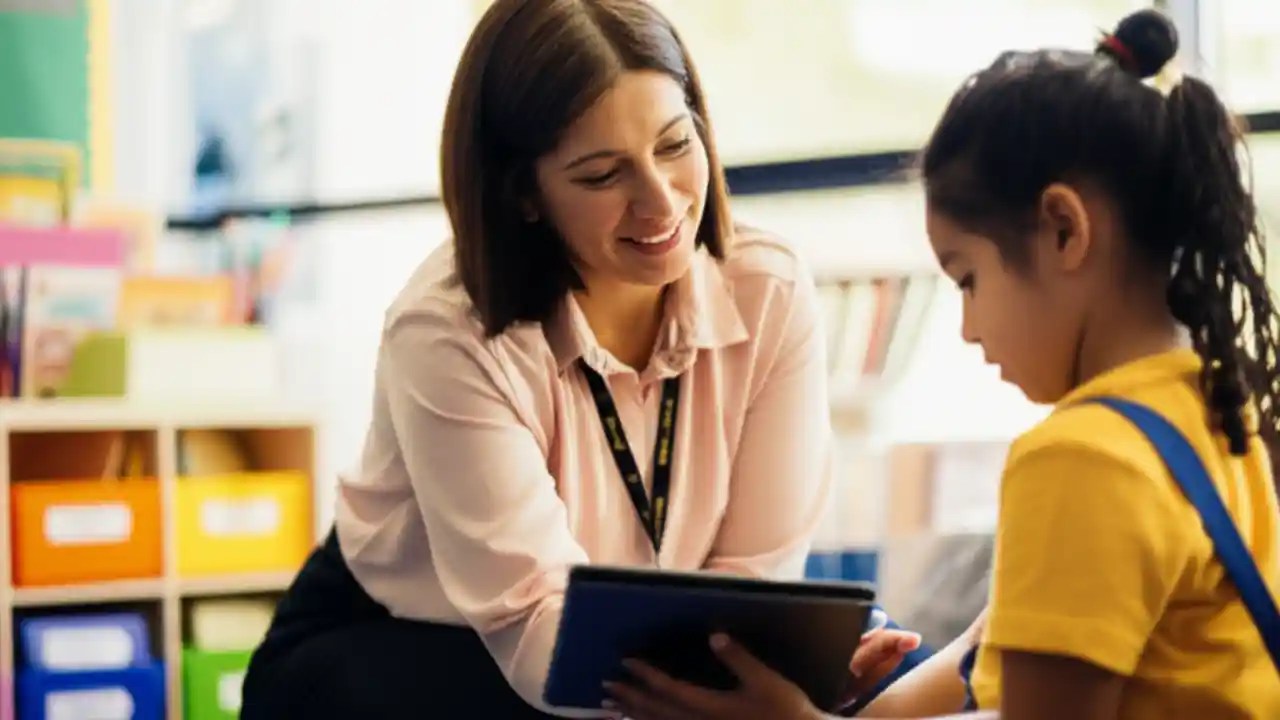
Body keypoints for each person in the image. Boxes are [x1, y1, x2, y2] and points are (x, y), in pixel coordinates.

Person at [239, 1, 921, 718]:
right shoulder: (447, 333)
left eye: (673, 145)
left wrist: (793, 680)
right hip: (408, 640)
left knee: (891, 672)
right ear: (524, 194)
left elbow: (758, 581)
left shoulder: (769, 291)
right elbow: (538, 631)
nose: (660, 204)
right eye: (602, 176)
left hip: (627, 645)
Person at [606, 9, 1280, 720]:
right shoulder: (1216, 410)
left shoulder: (1086, 458)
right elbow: (989, 651)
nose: (966, 328)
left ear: (1064, 230)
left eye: (968, 280)